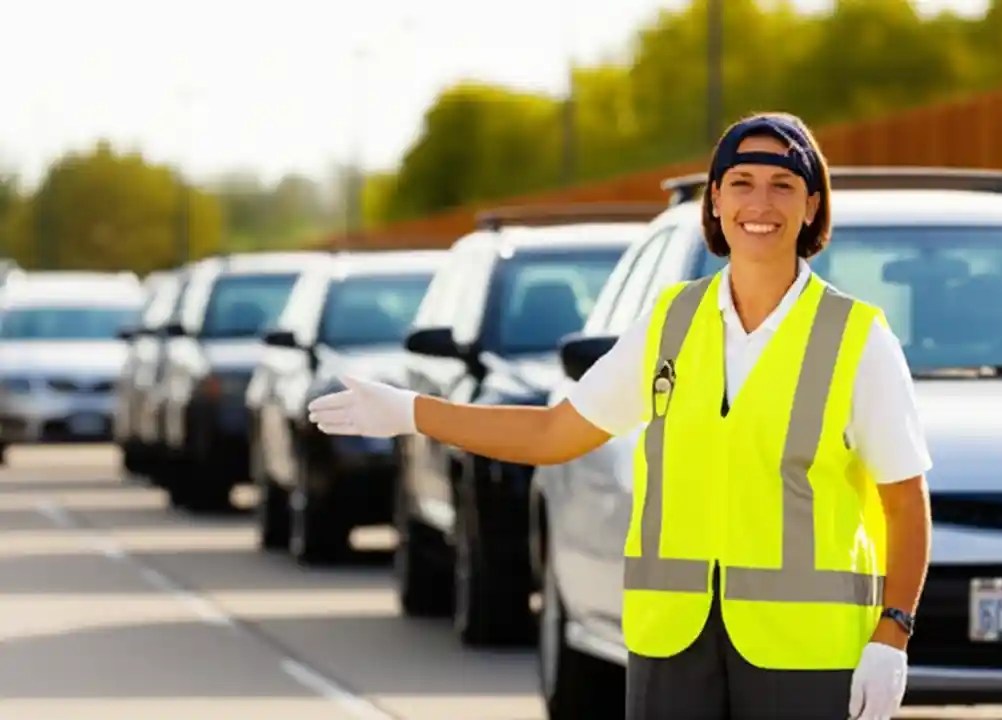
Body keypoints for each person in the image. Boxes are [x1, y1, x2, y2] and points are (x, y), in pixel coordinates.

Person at [307, 111, 933, 720]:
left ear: (812, 206)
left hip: (806, 654)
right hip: (672, 645)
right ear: (715, 202)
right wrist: (412, 411)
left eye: (783, 186)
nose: (760, 204)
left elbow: (905, 503)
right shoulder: (669, 322)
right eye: (741, 184)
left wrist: (892, 636)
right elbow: (554, 433)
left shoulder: (857, 339)